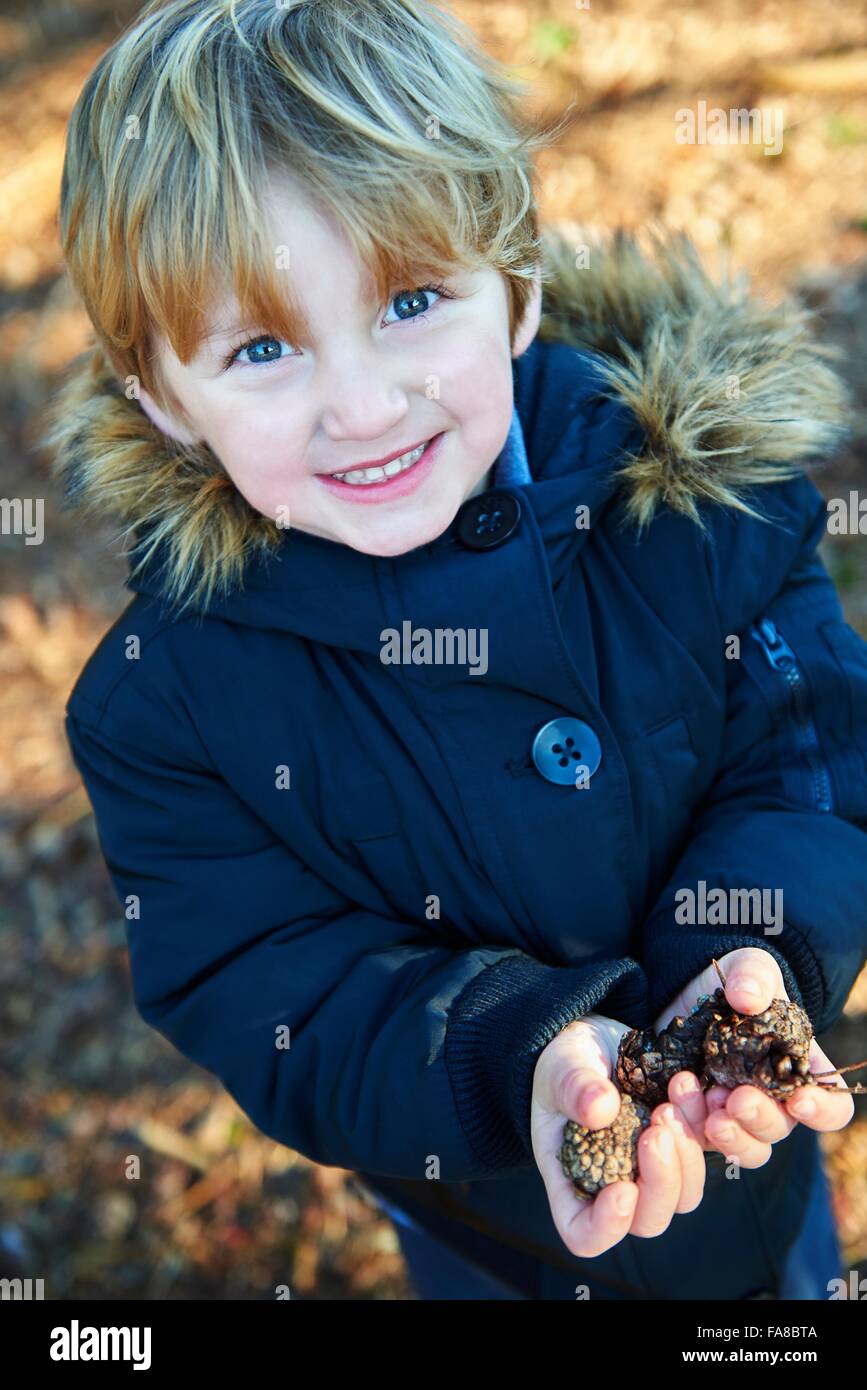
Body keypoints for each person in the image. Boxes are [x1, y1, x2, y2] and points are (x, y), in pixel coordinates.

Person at [39, 0, 867, 1301]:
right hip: (496, 1227)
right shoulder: (172, 707)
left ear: (519, 287)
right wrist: (524, 1058)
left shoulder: (698, 502)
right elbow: (275, 989)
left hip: (752, 1194)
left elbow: (810, 760)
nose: (364, 405)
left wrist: (746, 955)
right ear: (161, 398)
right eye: (262, 348)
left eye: (414, 301)